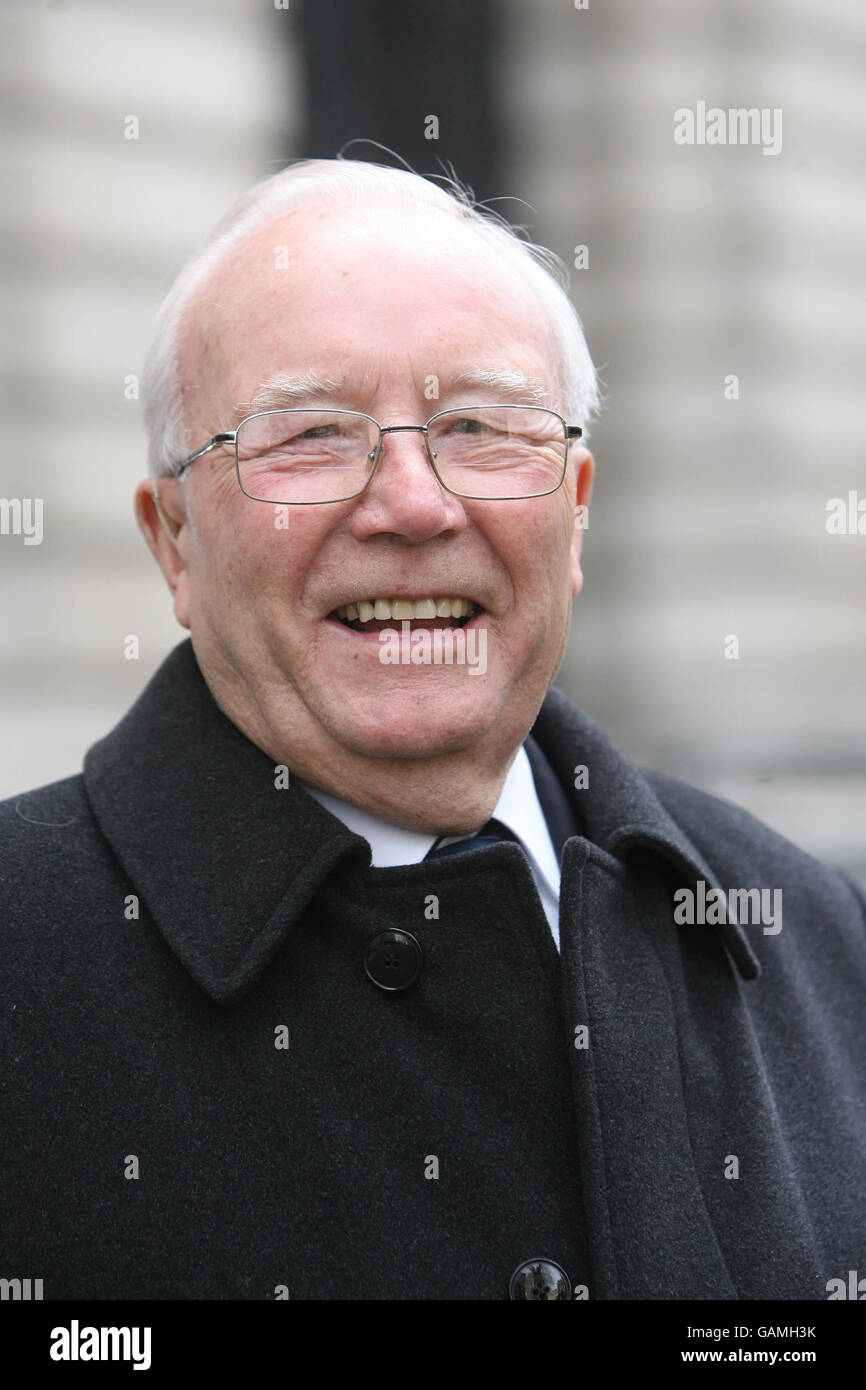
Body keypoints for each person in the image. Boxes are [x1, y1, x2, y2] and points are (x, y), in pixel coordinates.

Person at [1, 159, 864, 1302]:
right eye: (307, 433)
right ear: (173, 543)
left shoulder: (807, 929)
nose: (412, 502)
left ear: (574, 513)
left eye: (483, 426)